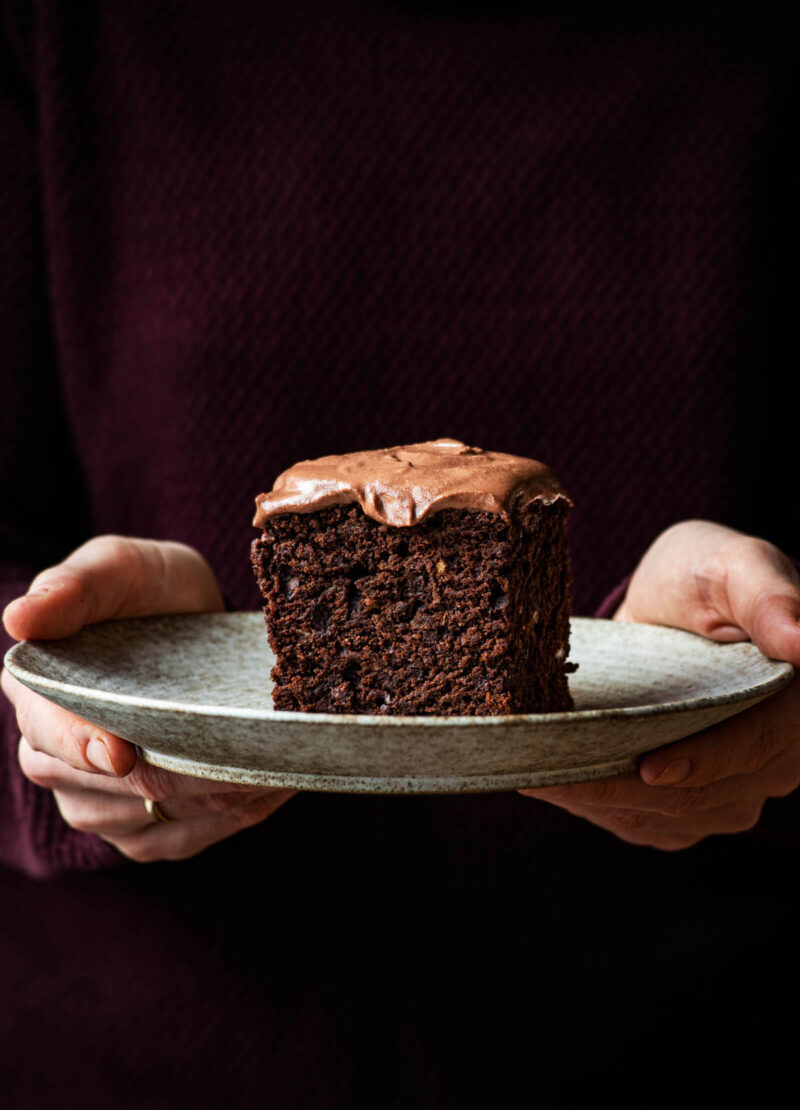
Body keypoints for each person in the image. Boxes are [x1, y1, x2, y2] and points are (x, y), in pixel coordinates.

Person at [1, 2, 797, 1106]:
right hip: (151, 1055)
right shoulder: (60, 35)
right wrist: (77, 703)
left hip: (694, 1045)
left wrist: (746, 674)